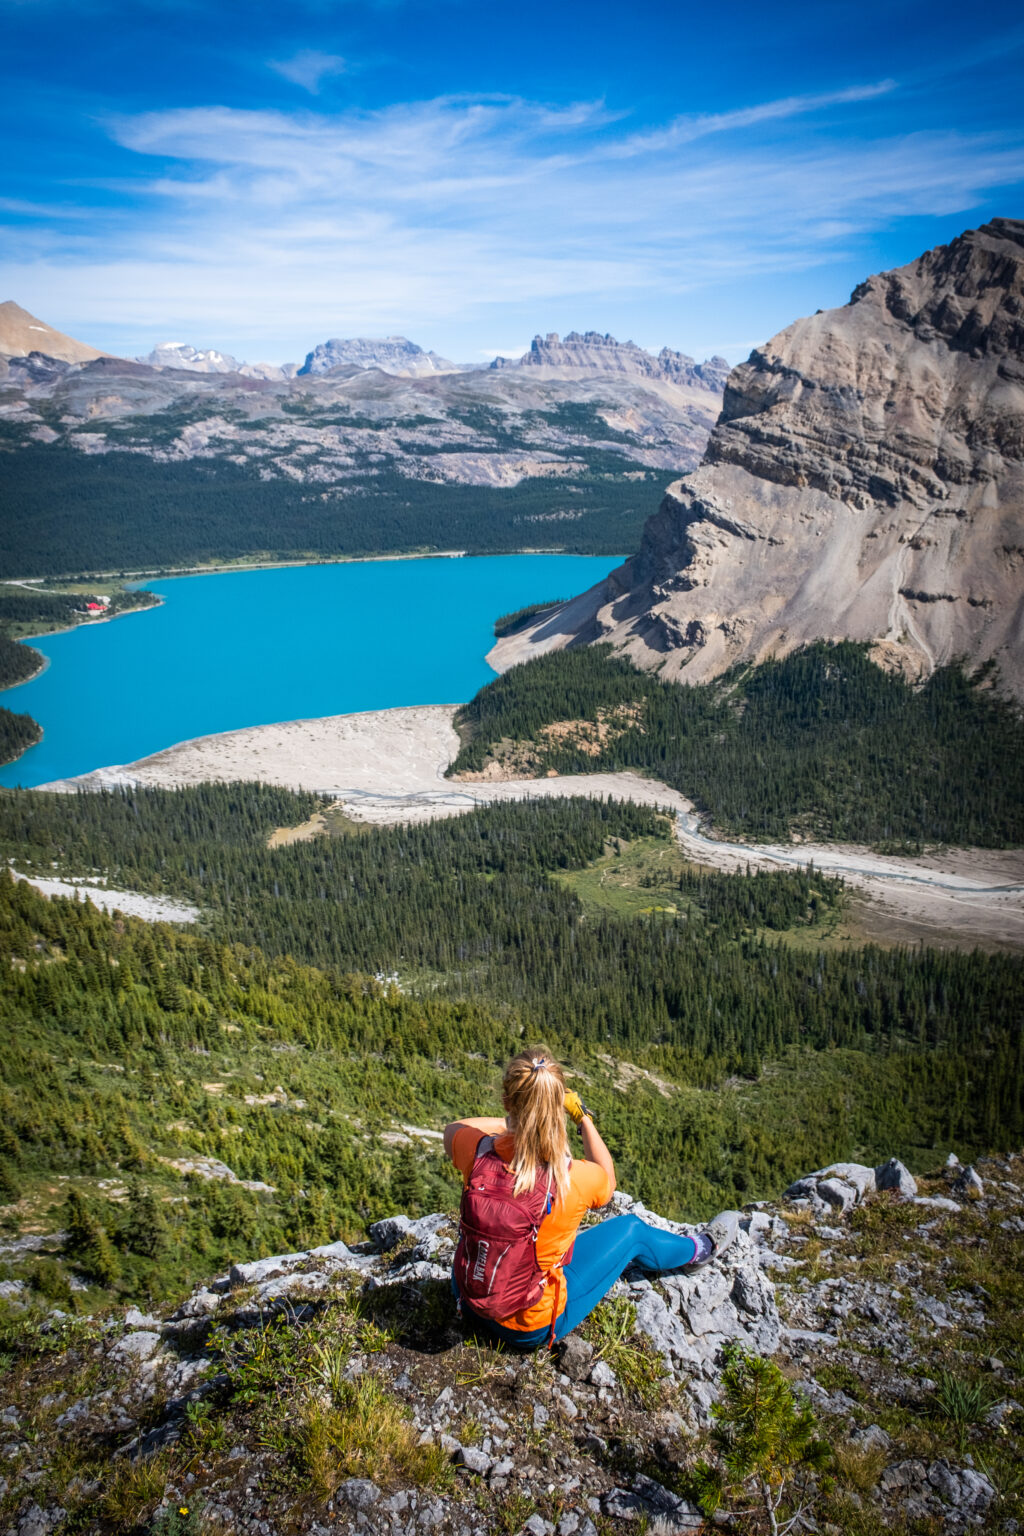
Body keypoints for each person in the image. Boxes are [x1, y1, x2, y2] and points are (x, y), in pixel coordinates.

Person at [444, 1047, 736, 1350]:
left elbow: (454, 1129)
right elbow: (607, 1181)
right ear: (555, 1106)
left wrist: (519, 1120)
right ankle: (700, 1250)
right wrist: (581, 1117)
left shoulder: (475, 1151)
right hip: (526, 1328)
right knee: (631, 1230)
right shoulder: (572, 1177)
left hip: (467, 1298)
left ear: (507, 1101)